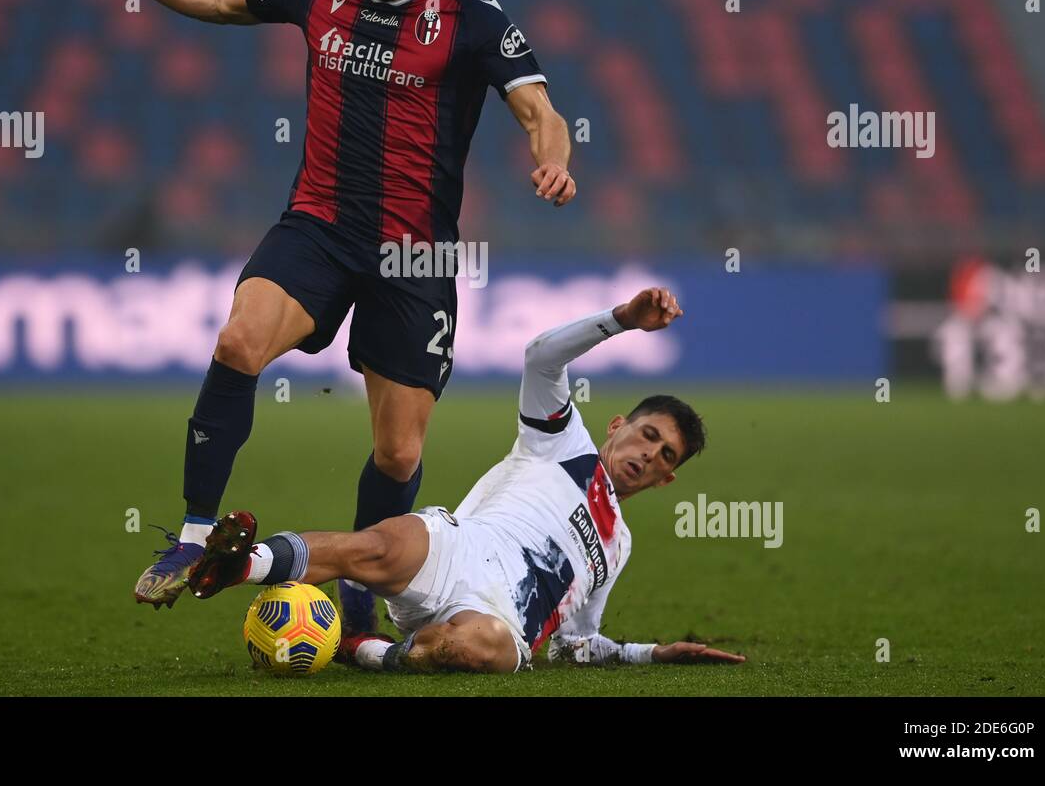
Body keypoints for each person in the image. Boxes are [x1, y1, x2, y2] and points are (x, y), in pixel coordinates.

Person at [50, 0, 575, 632]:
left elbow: (538, 107)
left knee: (397, 455)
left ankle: (360, 593)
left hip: (413, 255)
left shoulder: (472, 15)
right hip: (318, 228)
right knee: (237, 340)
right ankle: (195, 535)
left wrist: (553, 158)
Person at [191, 287, 747, 672]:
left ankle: (365, 650)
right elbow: (542, 358)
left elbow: (575, 646)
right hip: (461, 548)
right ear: (619, 425)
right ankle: (239, 564)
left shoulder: (618, 545)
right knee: (378, 544)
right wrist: (621, 318)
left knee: (478, 648)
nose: (649, 454)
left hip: (501, 621)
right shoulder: (563, 441)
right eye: (648, 435)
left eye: (665, 454)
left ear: (667, 478)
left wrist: (650, 653)